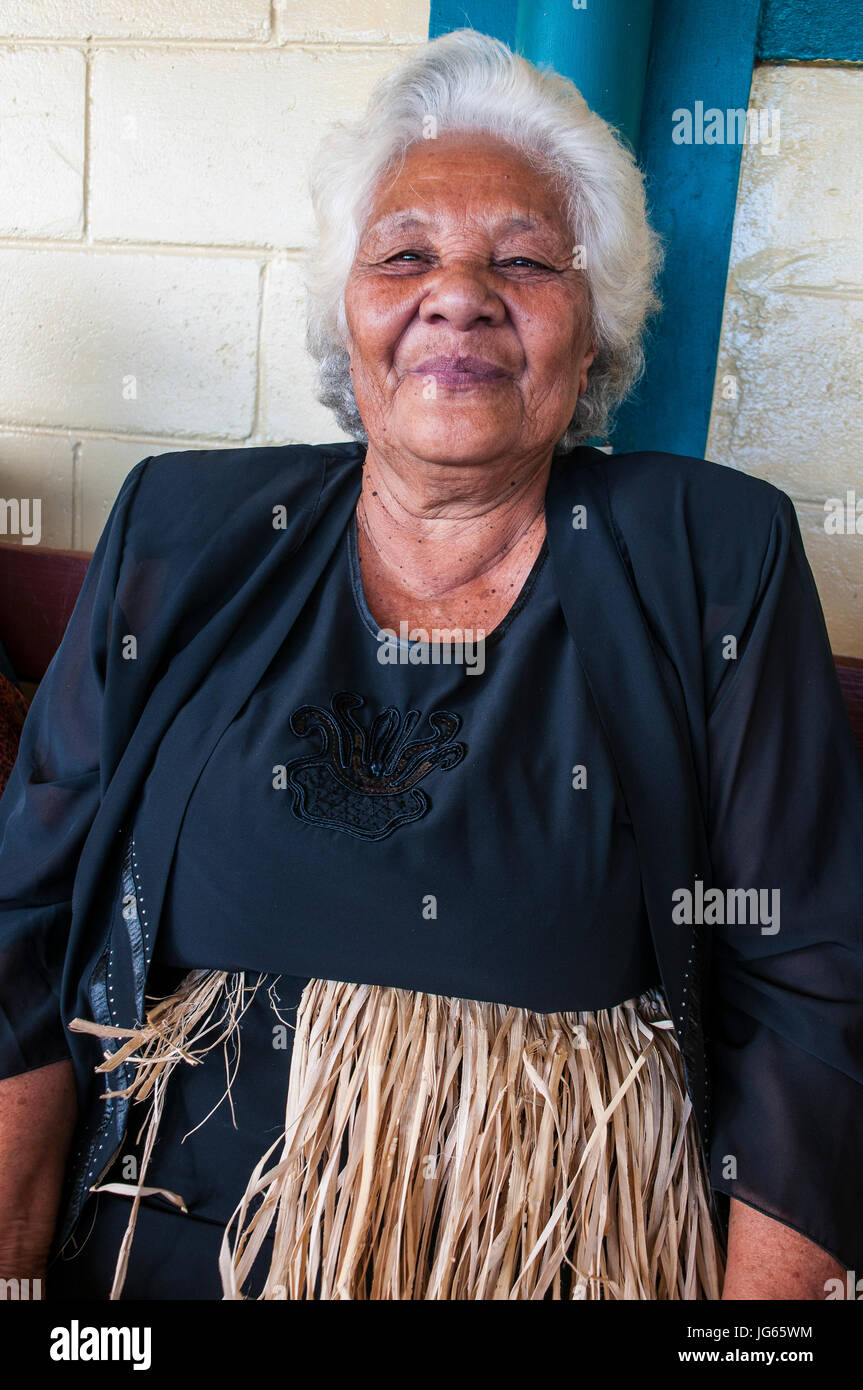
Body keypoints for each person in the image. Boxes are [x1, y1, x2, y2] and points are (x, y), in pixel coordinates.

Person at [1, 29, 861, 1302]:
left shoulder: (708, 551)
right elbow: (22, 926)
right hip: (162, 1258)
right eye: (404, 253)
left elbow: (807, 982)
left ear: (594, 332)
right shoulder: (182, 530)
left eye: (522, 259)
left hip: (562, 1255)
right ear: (343, 312)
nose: (457, 291)